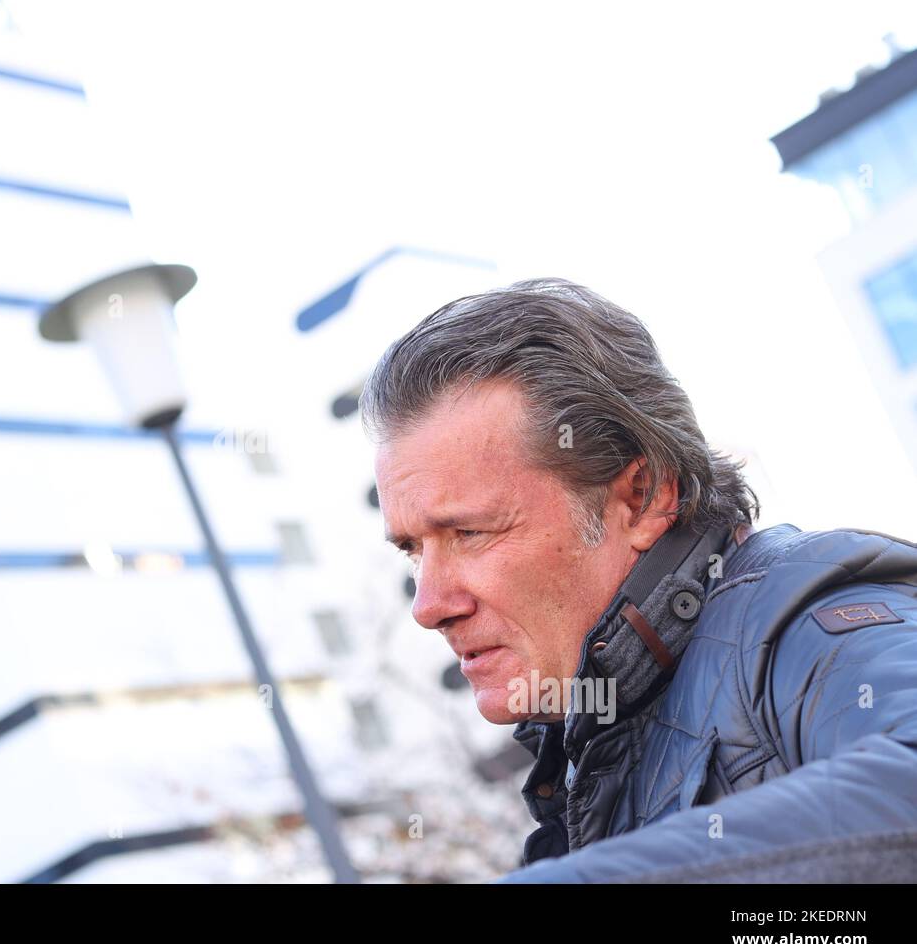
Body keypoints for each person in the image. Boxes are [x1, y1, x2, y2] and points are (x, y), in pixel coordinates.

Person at [361, 278, 917, 882]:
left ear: (644, 497)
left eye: (470, 533)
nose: (429, 605)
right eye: (413, 549)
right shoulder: (590, 744)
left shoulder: (808, 629)